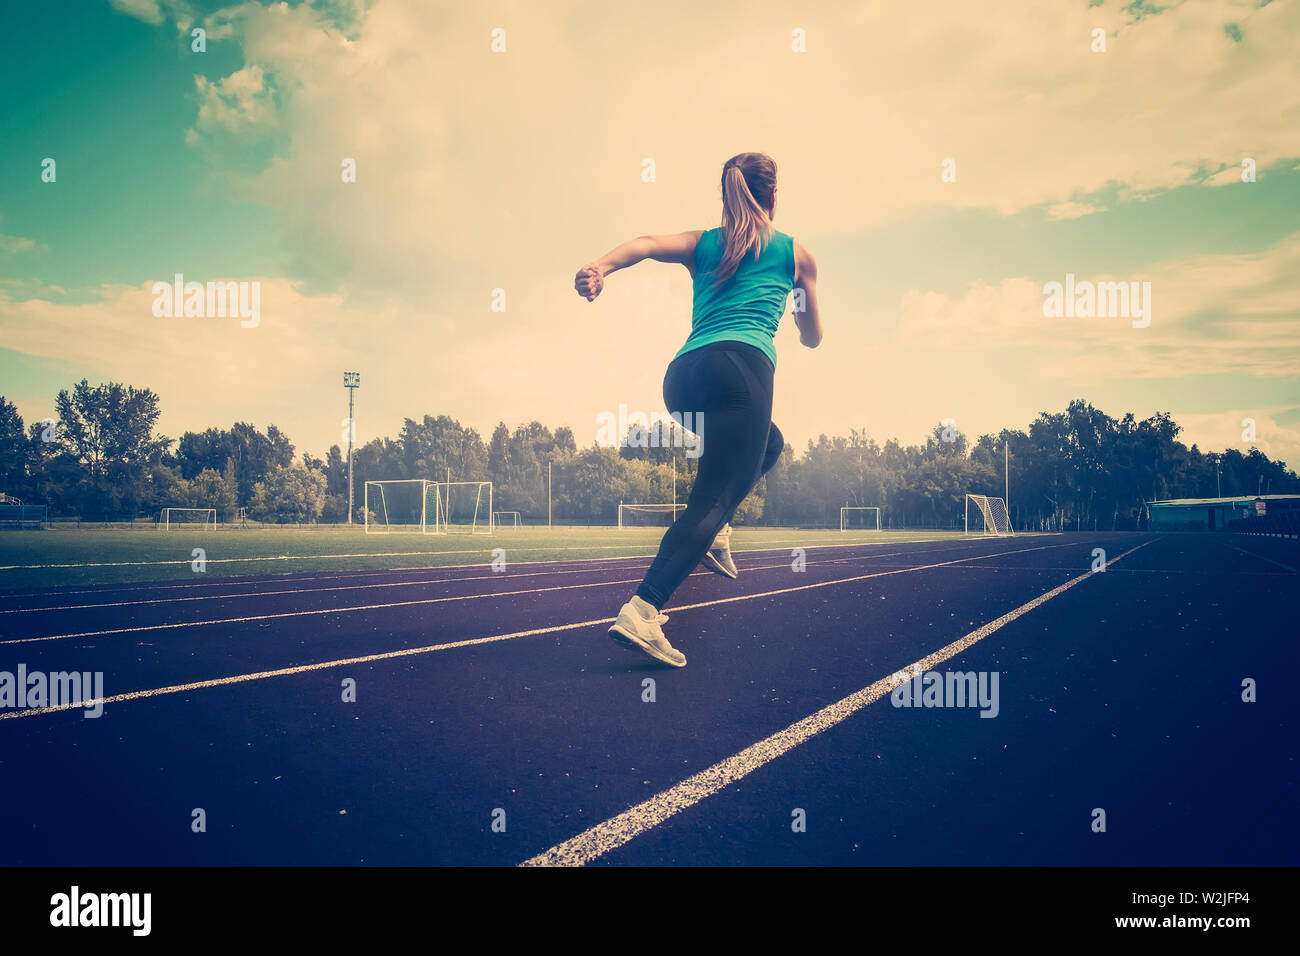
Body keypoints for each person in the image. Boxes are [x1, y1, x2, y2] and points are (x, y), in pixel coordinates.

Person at [574, 152, 823, 668]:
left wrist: (599, 268)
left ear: (728, 194)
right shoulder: (796, 254)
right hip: (743, 372)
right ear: (774, 196)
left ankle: (719, 529)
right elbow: (813, 337)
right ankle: (643, 609)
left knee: (768, 446)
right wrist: (798, 312)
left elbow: (643, 245)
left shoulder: (704, 242)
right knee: (711, 500)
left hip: (684, 378)